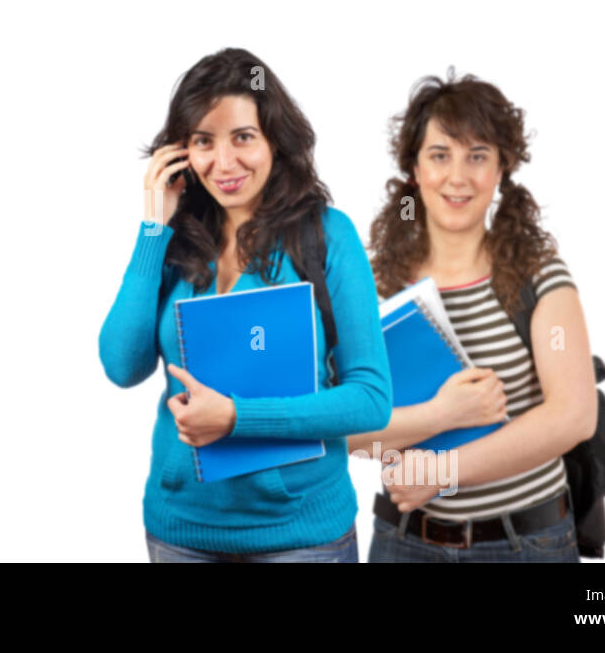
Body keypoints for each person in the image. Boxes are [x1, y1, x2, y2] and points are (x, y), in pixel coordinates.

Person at [98, 47, 391, 562]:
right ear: (181, 151)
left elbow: (370, 398)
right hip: (181, 531)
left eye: (243, 138)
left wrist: (236, 417)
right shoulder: (174, 238)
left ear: (275, 139)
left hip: (301, 536)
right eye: (203, 141)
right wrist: (151, 230)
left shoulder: (326, 237)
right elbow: (122, 366)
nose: (224, 162)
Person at [348, 70, 597, 562]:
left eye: (477, 156)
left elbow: (574, 415)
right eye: (440, 155)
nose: (457, 177)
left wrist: (440, 472)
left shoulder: (540, 275)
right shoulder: (374, 288)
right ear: (414, 171)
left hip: (526, 545)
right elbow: (345, 429)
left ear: (501, 167)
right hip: (403, 543)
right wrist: (442, 416)